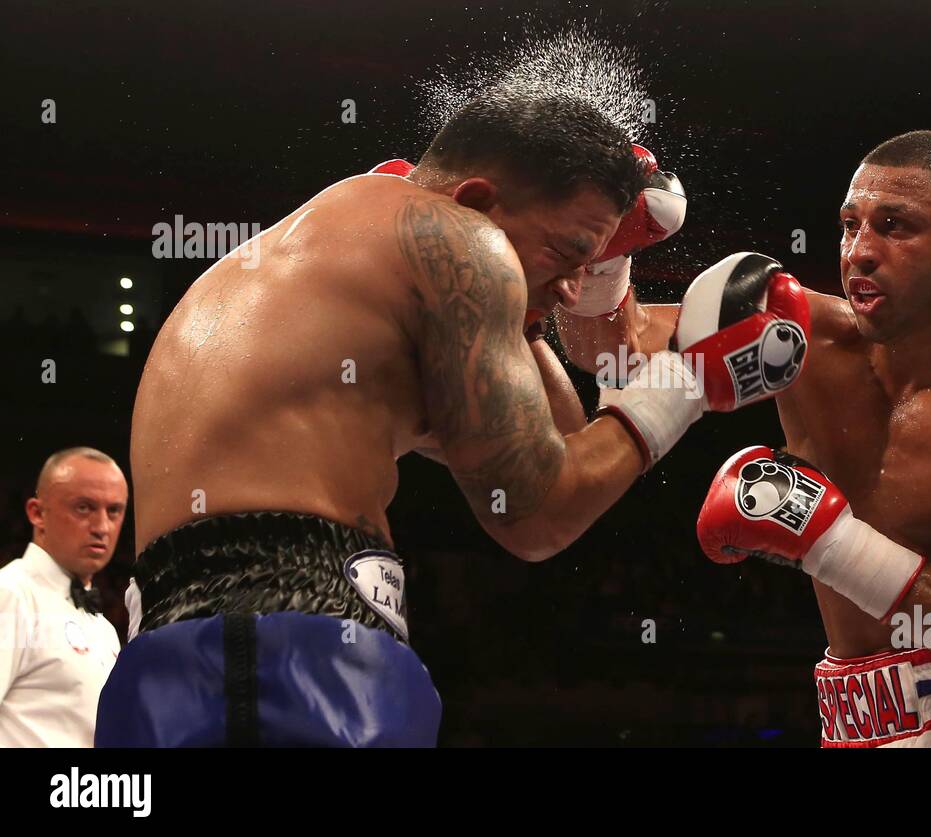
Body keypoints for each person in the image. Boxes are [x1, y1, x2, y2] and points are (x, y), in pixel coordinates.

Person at [98, 90, 809, 747]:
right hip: (282, 654)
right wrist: (684, 382)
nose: (569, 288)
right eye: (567, 252)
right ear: (475, 200)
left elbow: (557, 446)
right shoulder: (457, 238)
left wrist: (551, 302)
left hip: (186, 655)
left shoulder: (338, 251)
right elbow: (536, 512)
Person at [565, 130, 931, 748]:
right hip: (851, 723)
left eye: (894, 225)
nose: (859, 253)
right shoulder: (798, 332)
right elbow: (612, 354)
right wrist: (603, 252)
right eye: (849, 225)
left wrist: (826, 541)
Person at [0, 447, 125, 747]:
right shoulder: (11, 594)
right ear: (37, 513)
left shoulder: (103, 627)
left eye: (114, 511)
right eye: (84, 508)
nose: (102, 527)